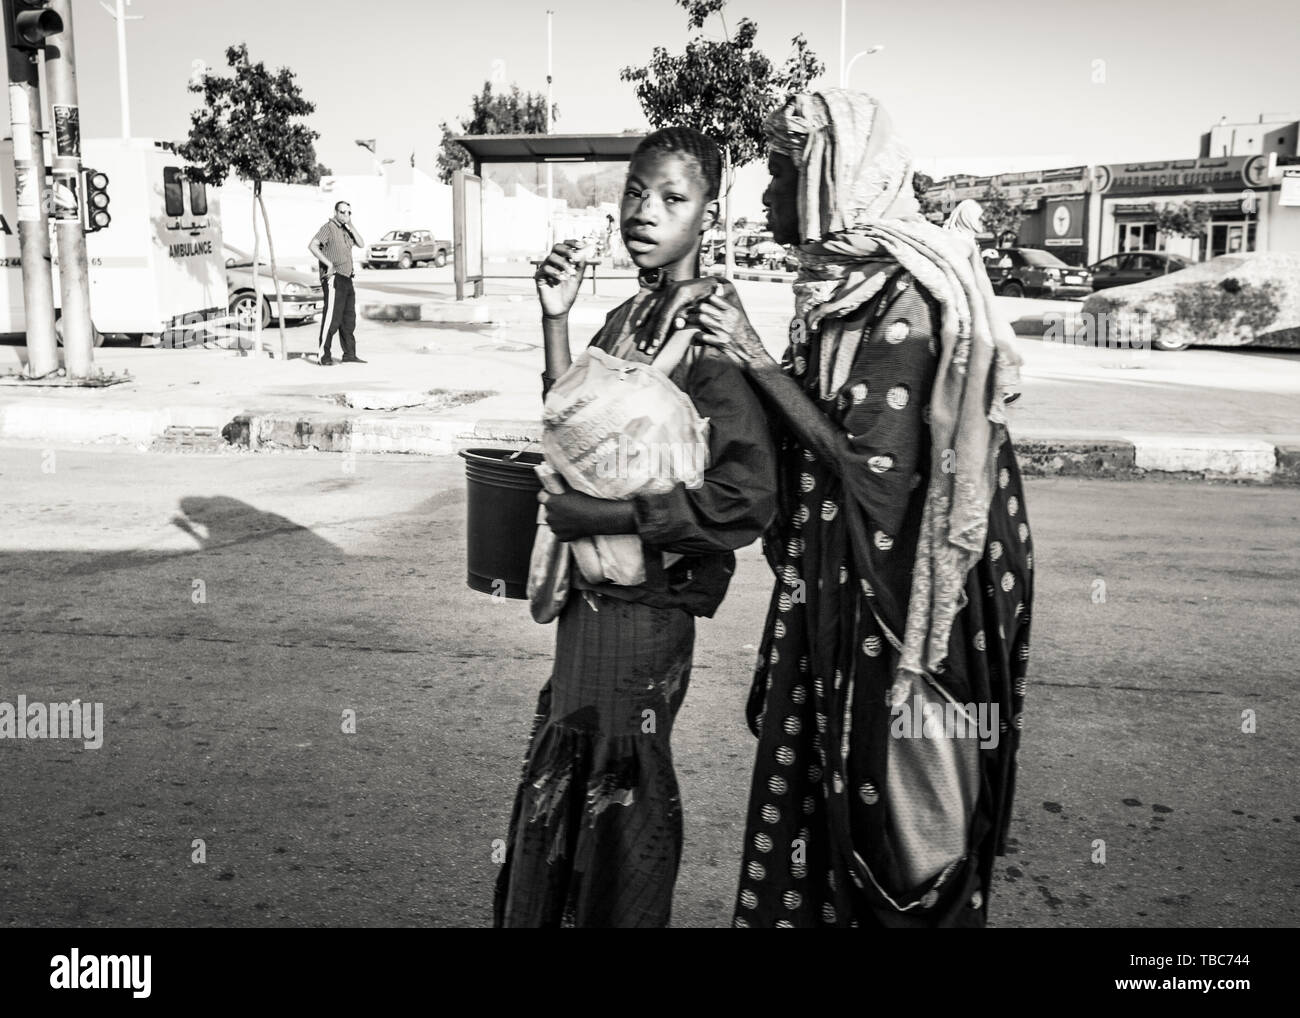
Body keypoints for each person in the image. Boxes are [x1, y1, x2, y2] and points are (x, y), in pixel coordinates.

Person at [686, 89, 1034, 928]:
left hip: (901, 597)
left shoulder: (905, 302)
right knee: (825, 771)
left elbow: (874, 471)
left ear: (831, 181)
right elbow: (806, 439)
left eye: (780, 178)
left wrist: (756, 360)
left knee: (899, 799)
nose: (766, 200)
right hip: (838, 581)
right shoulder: (841, 290)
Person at [493, 127, 777, 928]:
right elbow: (574, 430)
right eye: (633, 193)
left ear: (707, 216)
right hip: (588, 607)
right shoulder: (622, 319)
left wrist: (608, 516)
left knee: (623, 792)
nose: (644, 213)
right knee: (568, 774)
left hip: (649, 614)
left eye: (671, 199)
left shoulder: (713, 333)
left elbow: (744, 498)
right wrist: (555, 319)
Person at [308, 201, 366, 365]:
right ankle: (323, 356)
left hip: (347, 278)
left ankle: (349, 355)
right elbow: (312, 246)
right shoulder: (328, 227)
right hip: (335, 278)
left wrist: (351, 225)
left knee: (348, 320)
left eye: (348, 212)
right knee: (331, 319)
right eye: (342, 212)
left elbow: (361, 243)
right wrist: (328, 263)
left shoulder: (346, 229)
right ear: (335, 212)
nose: (345, 215)